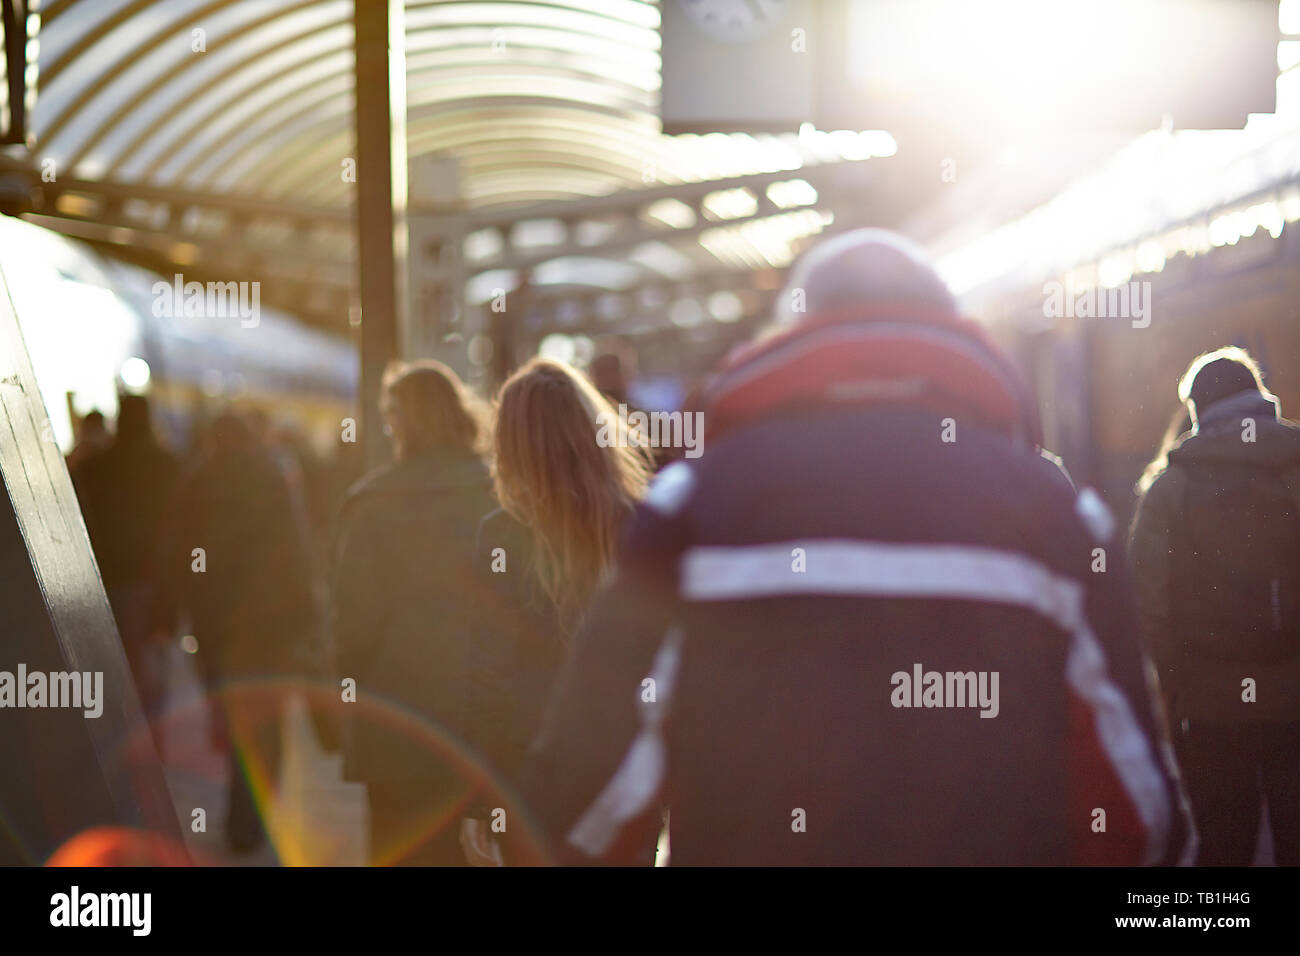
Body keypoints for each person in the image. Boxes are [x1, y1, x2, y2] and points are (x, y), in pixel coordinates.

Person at [518, 229, 1186, 866]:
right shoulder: (1059, 520)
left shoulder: (693, 509)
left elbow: (594, 798)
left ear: (793, 336)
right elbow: (1141, 811)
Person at [471, 357, 652, 864]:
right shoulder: (639, 527)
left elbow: (489, 680)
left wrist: (484, 807)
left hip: (531, 787)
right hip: (624, 783)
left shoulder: (500, 535)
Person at [1130, 346, 1300, 866]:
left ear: (1199, 410)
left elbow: (1149, 605)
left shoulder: (1170, 488)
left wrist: (1176, 685)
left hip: (1210, 708)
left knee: (1224, 849)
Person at [330, 360, 500, 866]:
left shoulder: (371, 503)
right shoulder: (500, 491)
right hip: (483, 720)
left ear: (400, 421)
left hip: (397, 721)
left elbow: (352, 627)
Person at [164, 411, 318, 853]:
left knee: (233, 714)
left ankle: (243, 814)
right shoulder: (273, 473)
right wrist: (306, 610)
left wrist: (169, 607)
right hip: (269, 620)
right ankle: (255, 811)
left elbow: (179, 549)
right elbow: (295, 545)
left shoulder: (199, 480)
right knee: (268, 719)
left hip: (216, 618)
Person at [72, 395, 180, 751]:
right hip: (154, 580)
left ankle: (120, 737)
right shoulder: (167, 465)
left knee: (112, 664)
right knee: (151, 665)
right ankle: (153, 738)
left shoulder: (98, 466)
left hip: (108, 579)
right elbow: (176, 532)